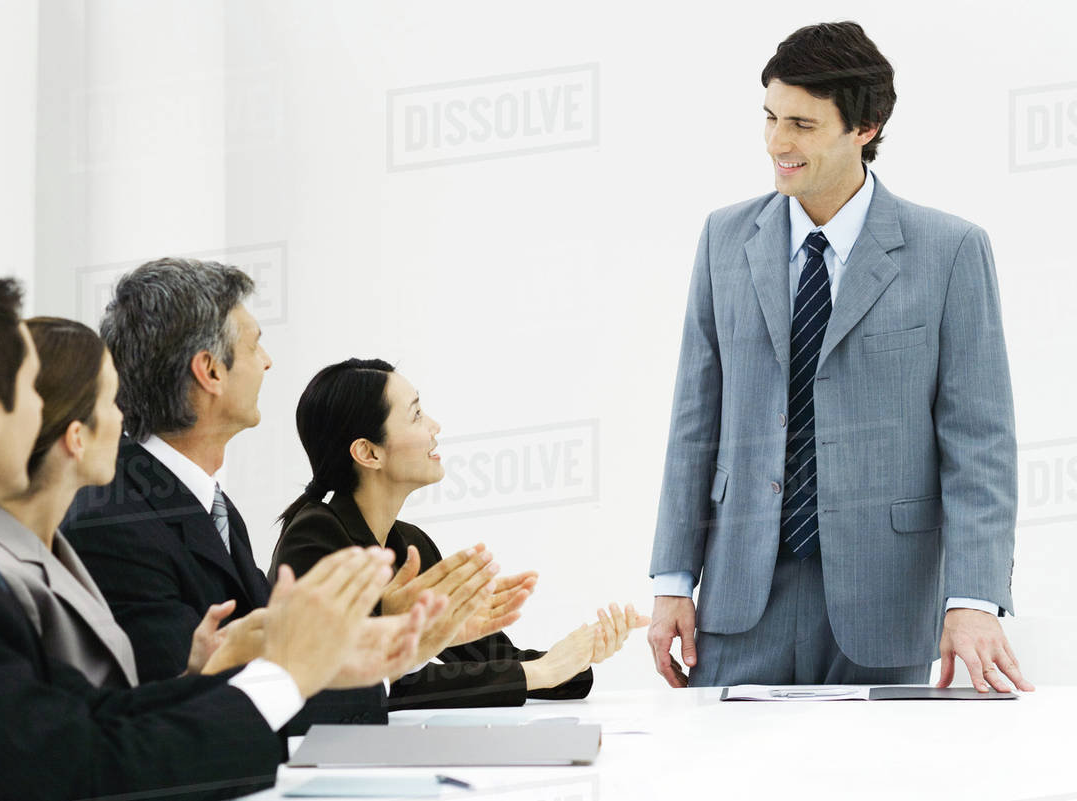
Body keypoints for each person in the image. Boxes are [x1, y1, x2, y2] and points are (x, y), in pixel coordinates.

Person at [0, 268, 435, 800]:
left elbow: (89, 718)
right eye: (32, 390)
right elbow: (74, 765)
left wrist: (280, 669)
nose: (51, 413)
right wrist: (283, 675)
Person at [647, 22, 1033, 692]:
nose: (777, 142)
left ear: (865, 126)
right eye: (769, 117)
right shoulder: (723, 239)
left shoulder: (950, 252)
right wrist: (672, 580)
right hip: (740, 599)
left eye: (801, 123)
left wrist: (972, 597)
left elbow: (981, 442)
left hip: (886, 601)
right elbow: (694, 422)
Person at [61, 257, 397, 727]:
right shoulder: (114, 525)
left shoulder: (208, 505)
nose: (267, 361)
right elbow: (213, 703)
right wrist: (380, 669)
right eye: (256, 344)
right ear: (210, 372)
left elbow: (268, 660)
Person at [272, 358, 648, 709]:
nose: (435, 426)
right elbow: (377, 685)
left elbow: (492, 661)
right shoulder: (315, 537)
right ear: (369, 453)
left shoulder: (411, 544)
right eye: (416, 415)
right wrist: (538, 673)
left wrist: (573, 658)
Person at [0, 317, 263, 688]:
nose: (123, 420)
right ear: (76, 436)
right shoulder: (95, 530)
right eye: (110, 401)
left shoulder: (55, 546)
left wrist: (195, 676)